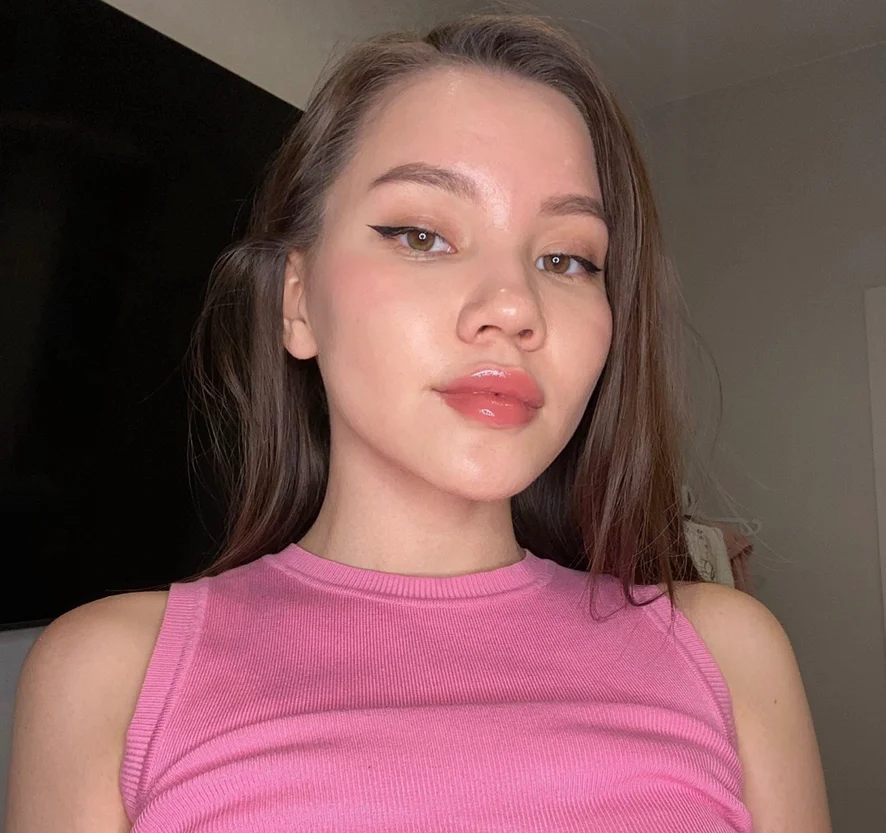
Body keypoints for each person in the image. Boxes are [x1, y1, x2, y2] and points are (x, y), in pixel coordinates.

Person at [5, 11, 831, 832]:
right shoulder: (111, 675)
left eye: (566, 258)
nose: (514, 306)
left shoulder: (726, 653)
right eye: (423, 235)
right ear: (297, 301)